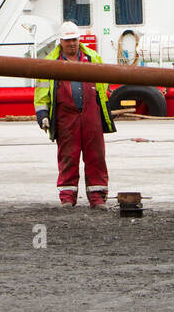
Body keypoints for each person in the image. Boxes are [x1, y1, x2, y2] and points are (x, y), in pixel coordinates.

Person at [34, 21, 115, 208]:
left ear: (79, 40)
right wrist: (43, 114)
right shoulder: (50, 64)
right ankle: (67, 197)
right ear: (60, 41)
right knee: (68, 156)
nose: (72, 43)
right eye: (68, 40)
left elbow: (105, 87)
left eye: (74, 40)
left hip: (91, 114)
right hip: (65, 116)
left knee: (96, 155)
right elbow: (41, 92)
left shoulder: (93, 58)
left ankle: (97, 197)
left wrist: (104, 109)